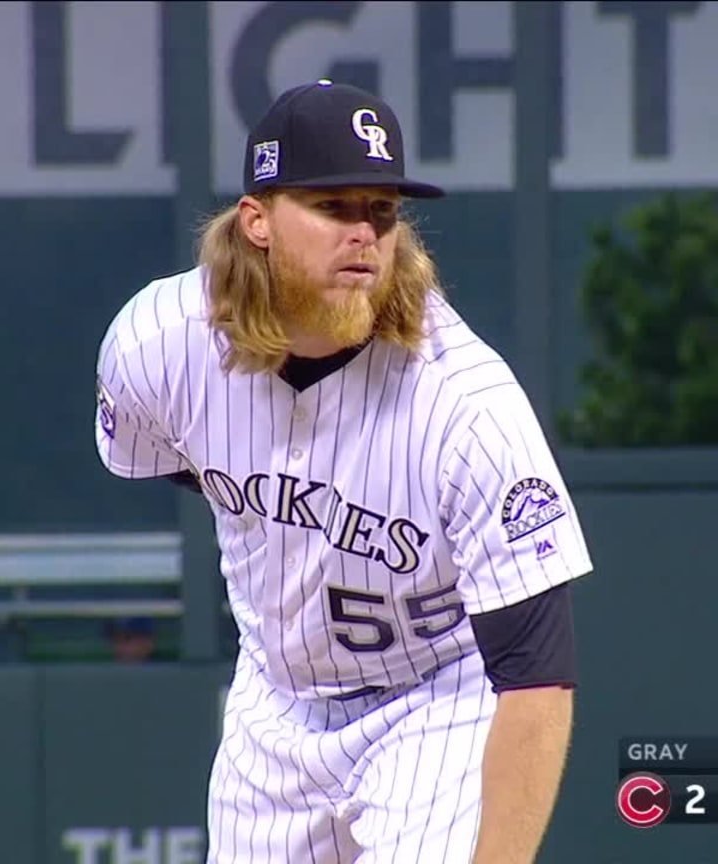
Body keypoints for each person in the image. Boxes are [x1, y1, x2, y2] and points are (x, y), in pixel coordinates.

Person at [93, 80, 592, 863]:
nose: (364, 232)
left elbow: (538, 681)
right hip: (276, 702)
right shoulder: (158, 343)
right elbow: (168, 461)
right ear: (256, 219)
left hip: (434, 695)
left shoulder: (466, 406)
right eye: (333, 207)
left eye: (382, 211)